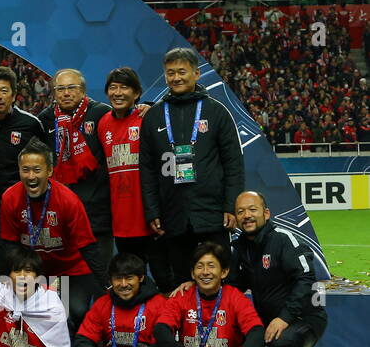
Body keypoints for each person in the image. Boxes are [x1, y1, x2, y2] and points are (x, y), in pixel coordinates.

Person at [139, 47, 244, 287]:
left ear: (196, 74)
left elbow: (233, 164)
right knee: (181, 281)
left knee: (221, 277)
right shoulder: (154, 116)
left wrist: (230, 205)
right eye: (170, 73)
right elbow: (147, 169)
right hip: (173, 215)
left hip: (212, 212)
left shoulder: (217, 112)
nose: (176, 78)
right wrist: (152, 211)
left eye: (182, 72)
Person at [0, 138, 106, 327]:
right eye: (25, 170)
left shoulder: (68, 200)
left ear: (49, 171)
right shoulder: (10, 198)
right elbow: (9, 245)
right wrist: (15, 279)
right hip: (34, 270)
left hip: (70, 270)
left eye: (37, 170)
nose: (31, 176)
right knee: (20, 313)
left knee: (75, 312)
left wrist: (106, 284)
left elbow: (88, 246)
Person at [231, 191, 326, 347]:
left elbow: (306, 278)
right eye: (241, 211)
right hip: (267, 319)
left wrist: (285, 318)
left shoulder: (284, 239)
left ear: (266, 213)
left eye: (252, 209)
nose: (246, 215)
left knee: (281, 341)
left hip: (305, 318)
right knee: (224, 330)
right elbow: (233, 287)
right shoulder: (239, 248)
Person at [53, 252, 169, 347]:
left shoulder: (159, 303)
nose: (123, 284)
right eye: (117, 278)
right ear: (111, 280)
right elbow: (83, 340)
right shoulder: (103, 303)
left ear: (141, 278)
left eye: (129, 278)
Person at [155, 241, 262, 347]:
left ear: (224, 272)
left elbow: (256, 331)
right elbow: (161, 328)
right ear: (192, 273)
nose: (205, 272)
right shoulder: (182, 296)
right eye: (199, 267)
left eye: (211, 266)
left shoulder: (235, 297)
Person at [38, 69, 112, 262]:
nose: (66, 93)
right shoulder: (45, 119)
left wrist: (146, 107)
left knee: (100, 272)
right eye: (60, 89)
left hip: (98, 210)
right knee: (67, 276)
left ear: (83, 90)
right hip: (63, 210)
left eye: (71, 87)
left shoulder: (101, 113)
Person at [0, 66, 47, 255]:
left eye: (4, 91)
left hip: (26, 211)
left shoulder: (30, 124)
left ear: (13, 96)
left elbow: (46, 165)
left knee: (27, 275)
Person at [97, 67, 158, 282]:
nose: (118, 92)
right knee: (131, 279)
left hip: (151, 218)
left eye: (124, 87)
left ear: (136, 93)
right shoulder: (103, 123)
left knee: (163, 278)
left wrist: (152, 107)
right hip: (121, 219)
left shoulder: (147, 117)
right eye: (113, 87)